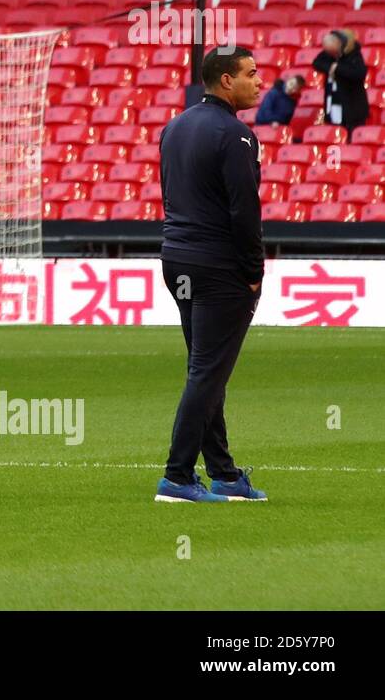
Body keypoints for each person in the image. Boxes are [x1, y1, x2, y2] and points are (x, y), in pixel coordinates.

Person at [155, 46, 267, 504]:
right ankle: (178, 477)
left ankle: (223, 473)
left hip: (177, 259)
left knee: (206, 370)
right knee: (207, 373)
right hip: (218, 265)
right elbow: (245, 210)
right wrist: (254, 269)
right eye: (251, 74)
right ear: (226, 81)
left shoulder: (173, 127)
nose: (259, 81)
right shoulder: (235, 135)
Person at [312, 29, 369, 136]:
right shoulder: (329, 54)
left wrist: (337, 68)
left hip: (352, 107)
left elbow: (359, 74)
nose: (332, 55)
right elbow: (317, 63)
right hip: (332, 102)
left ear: (340, 44)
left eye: (334, 53)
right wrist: (331, 67)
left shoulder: (355, 55)